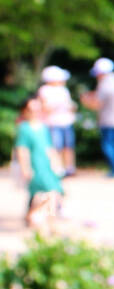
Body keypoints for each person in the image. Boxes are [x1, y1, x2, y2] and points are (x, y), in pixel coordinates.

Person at [14, 98, 64, 231]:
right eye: (31, 110)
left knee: (52, 192)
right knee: (45, 193)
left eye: (37, 109)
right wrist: (25, 168)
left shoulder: (43, 127)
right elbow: (22, 149)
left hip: (46, 164)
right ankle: (36, 217)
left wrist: (56, 162)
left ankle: (48, 221)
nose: (35, 112)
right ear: (24, 111)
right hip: (35, 164)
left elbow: (50, 148)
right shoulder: (24, 128)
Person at [37, 65, 77, 176]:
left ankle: (69, 168)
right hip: (53, 123)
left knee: (68, 146)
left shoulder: (64, 90)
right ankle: (57, 169)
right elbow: (45, 108)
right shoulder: (44, 90)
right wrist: (58, 104)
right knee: (56, 147)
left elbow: (70, 106)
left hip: (67, 122)